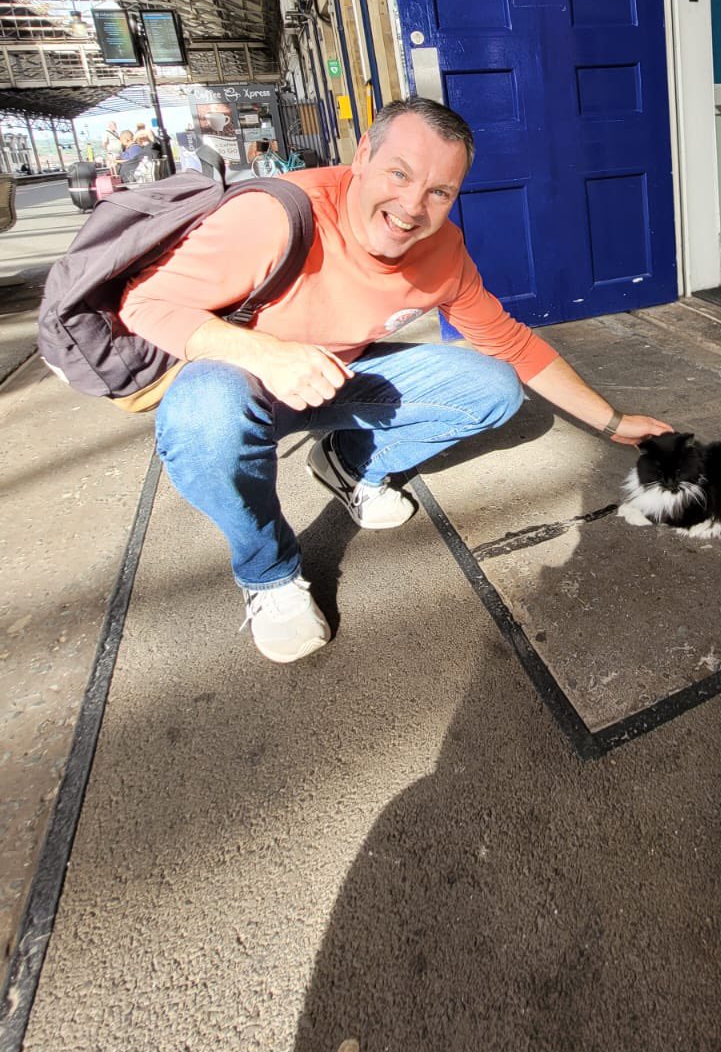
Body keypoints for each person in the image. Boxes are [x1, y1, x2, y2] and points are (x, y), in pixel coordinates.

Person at [119, 97, 672, 664]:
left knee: (495, 387)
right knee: (204, 412)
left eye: (440, 192)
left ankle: (350, 464)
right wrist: (266, 354)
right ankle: (268, 575)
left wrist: (614, 421)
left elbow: (508, 341)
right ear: (363, 155)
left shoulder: (443, 248)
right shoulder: (274, 216)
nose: (412, 207)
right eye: (399, 174)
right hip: (240, 381)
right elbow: (144, 303)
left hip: (341, 374)